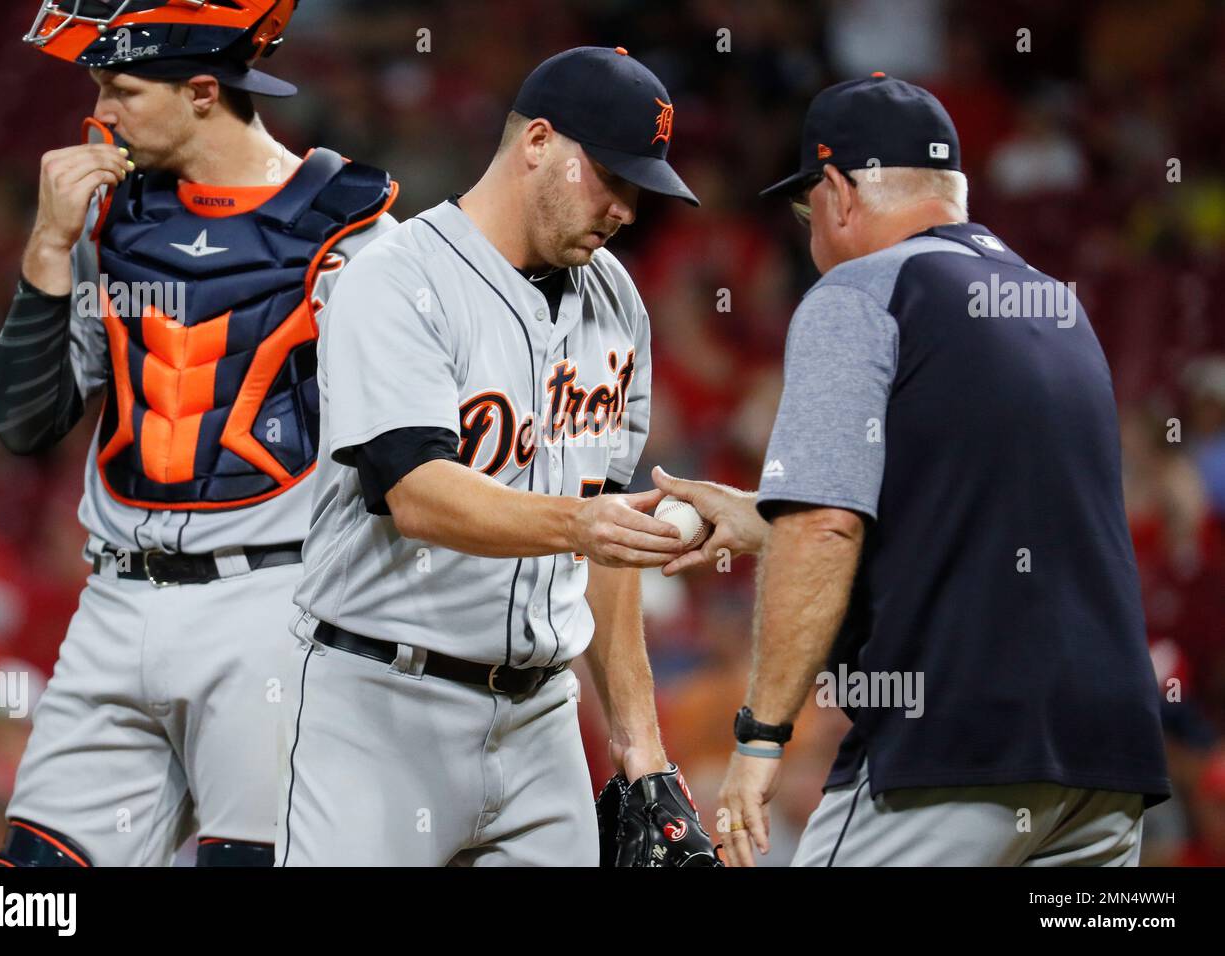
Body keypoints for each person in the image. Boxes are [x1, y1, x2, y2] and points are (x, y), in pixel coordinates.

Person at [653, 73, 1170, 866]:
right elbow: (964, 511)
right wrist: (767, 514)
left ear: (836, 191)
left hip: (951, 749)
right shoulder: (1053, 308)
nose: (809, 232)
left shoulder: (859, 292)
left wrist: (761, 738)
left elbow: (828, 525)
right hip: (1109, 758)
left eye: (805, 210)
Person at [0, 0, 397, 867]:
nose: (101, 113)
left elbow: (405, 457)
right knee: (26, 889)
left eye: (123, 88)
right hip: (115, 601)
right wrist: (48, 249)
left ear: (204, 91)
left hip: (273, 606)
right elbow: (25, 423)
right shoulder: (106, 218)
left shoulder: (356, 235)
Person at [278, 46, 699, 866]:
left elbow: (605, 546)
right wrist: (585, 524)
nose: (625, 209)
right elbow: (419, 495)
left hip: (542, 720)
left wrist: (640, 744)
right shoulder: (396, 279)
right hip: (379, 706)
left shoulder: (618, 300)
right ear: (537, 141)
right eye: (610, 176)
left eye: (638, 189)